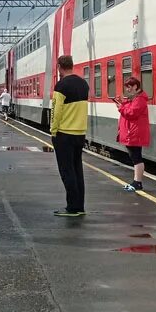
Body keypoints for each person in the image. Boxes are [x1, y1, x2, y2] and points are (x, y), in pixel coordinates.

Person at [50, 55, 89, 217]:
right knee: (77, 170)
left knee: (67, 171)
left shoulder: (61, 86)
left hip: (64, 133)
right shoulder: (83, 84)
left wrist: (53, 130)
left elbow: (56, 111)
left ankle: (72, 207)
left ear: (59, 66)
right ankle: (80, 206)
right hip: (80, 132)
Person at [115, 77, 151, 192]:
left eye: (129, 87)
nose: (127, 89)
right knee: (135, 157)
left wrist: (120, 107)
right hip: (133, 132)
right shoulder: (135, 99)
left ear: (135, 86)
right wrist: (122, 103)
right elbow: (129, 109)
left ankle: (138, 182)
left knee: (136, 157)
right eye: (126, 87)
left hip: (135, 133)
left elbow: (131, 113)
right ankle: (136, 182)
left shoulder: (139, 100)